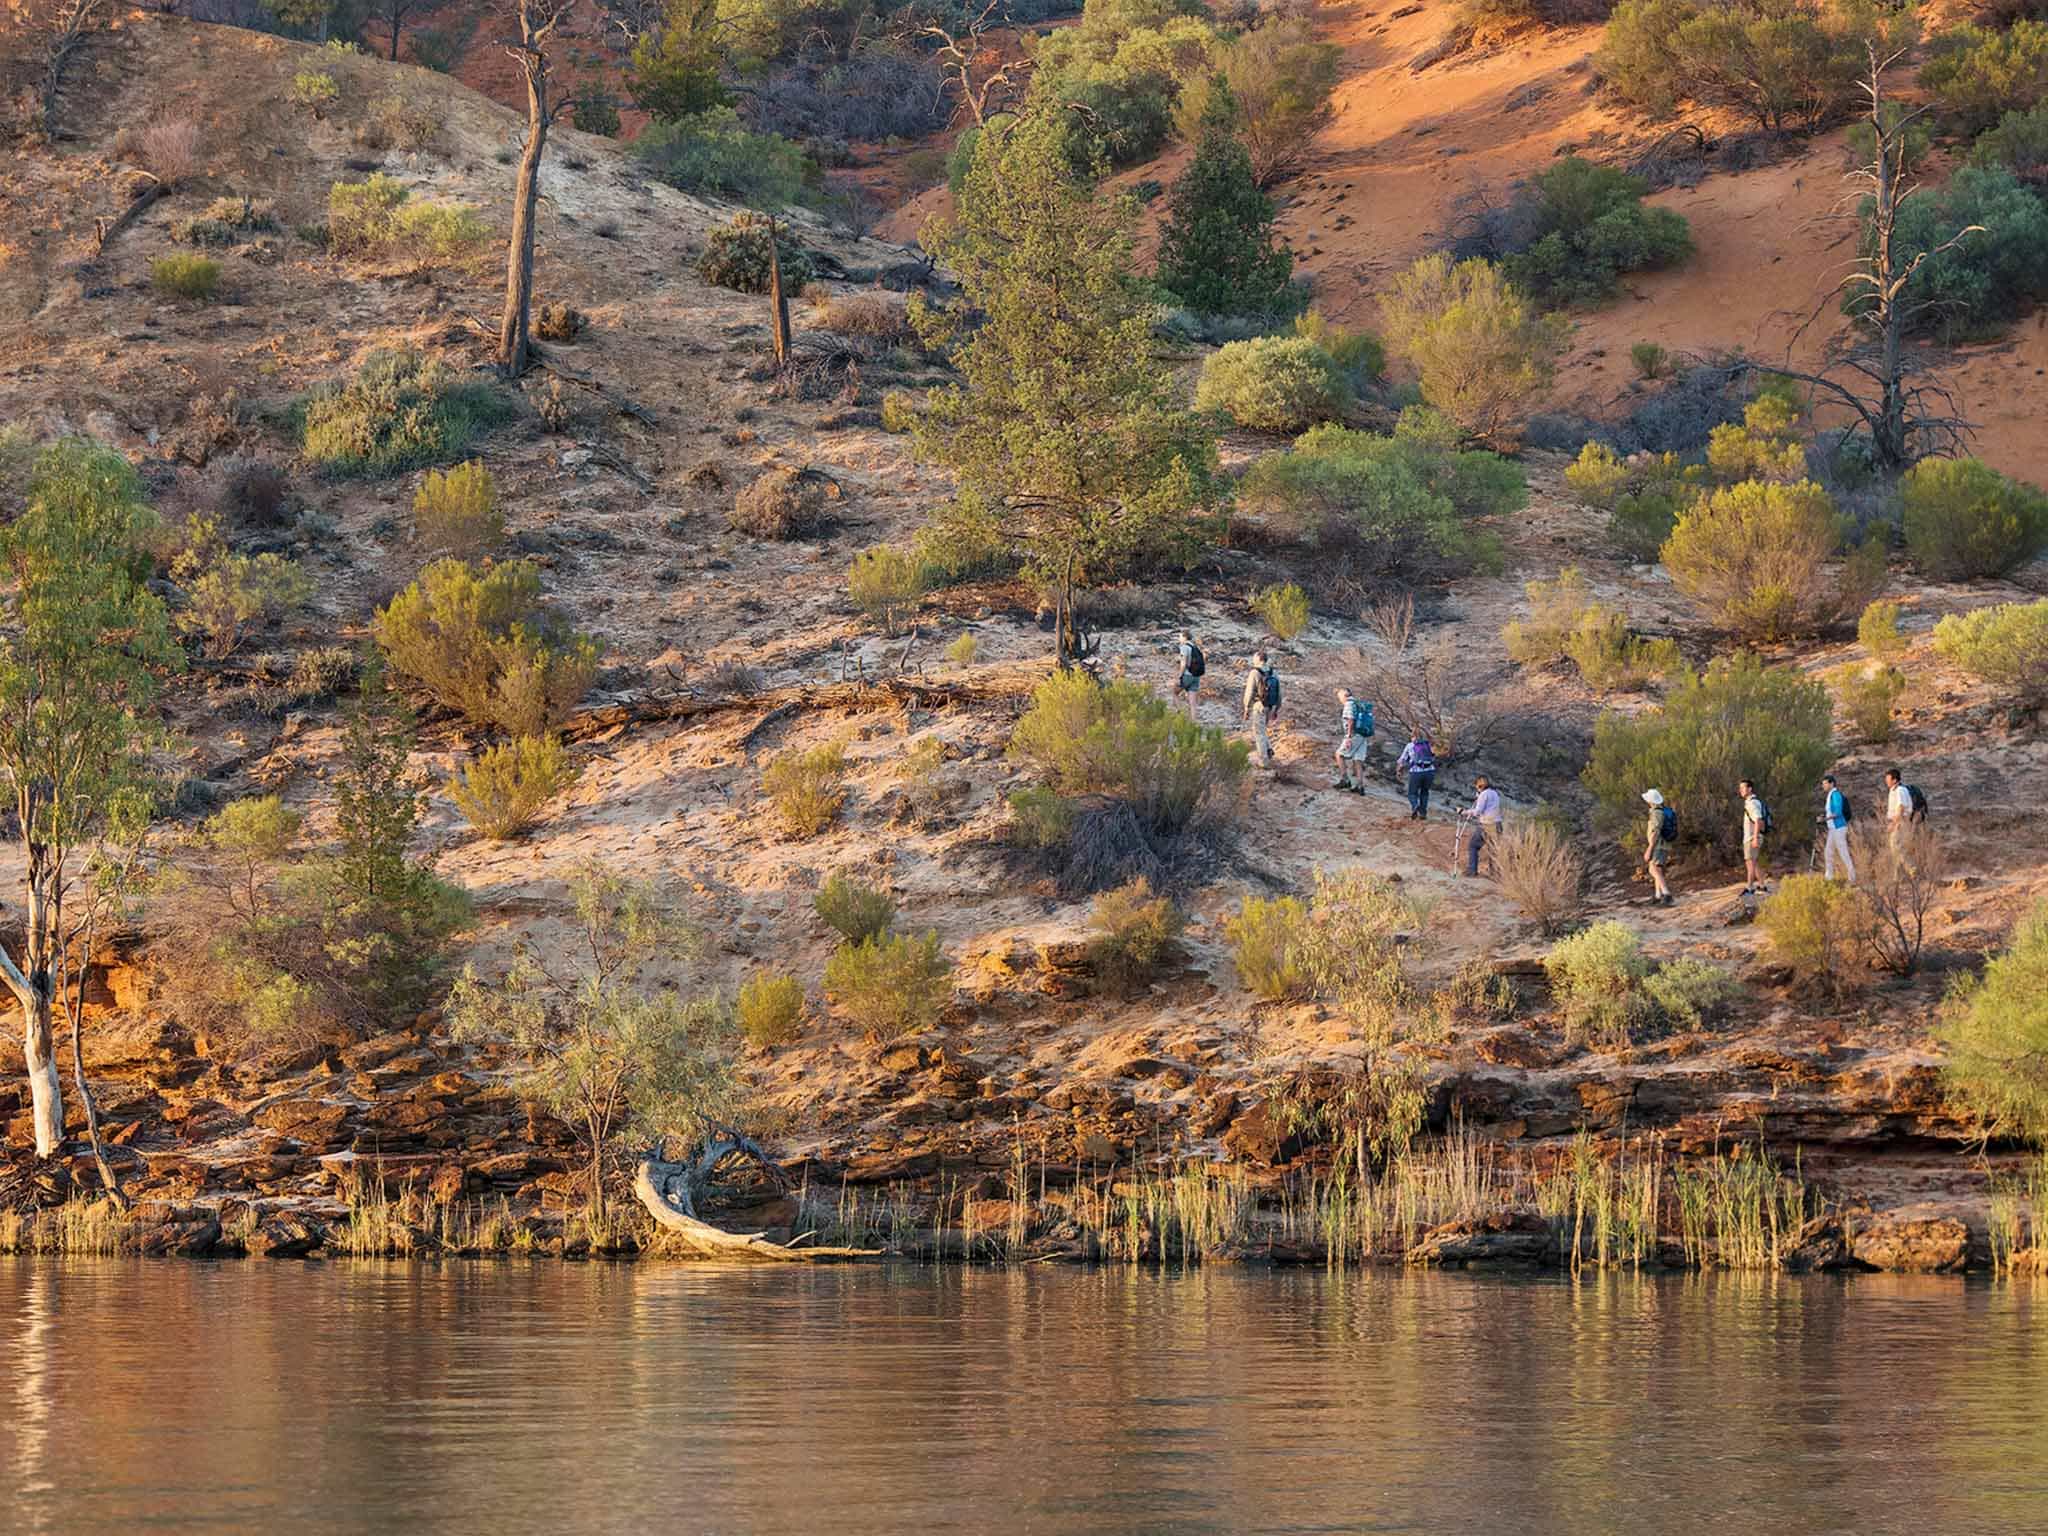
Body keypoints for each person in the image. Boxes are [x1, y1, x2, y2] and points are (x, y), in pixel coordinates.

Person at [1332, 689, 1374, 792]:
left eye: (1340, 696)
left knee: (1339, 755)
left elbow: (1351, 720)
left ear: (1345, 695)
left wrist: (1349, 737)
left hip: (1354, 735)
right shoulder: (1358, 703)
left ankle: (1345, 780)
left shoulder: (1349, 704)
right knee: (1357, 760)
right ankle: (1359, 786)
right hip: (1363, 735)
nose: (1339, 699)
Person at [1459, 776, 1502, 877]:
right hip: (1498, 823)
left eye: (1477, 787)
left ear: (1480, 786)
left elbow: (1478, 811)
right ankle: (1495, 873)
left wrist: (1463, 812)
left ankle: (1472, 870)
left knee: (1473, 846)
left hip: (1487, 824)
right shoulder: (1494, 793)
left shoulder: (1484, 794)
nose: (1477, 789)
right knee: (1493, 849)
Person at [1241, 651, 1278, 766]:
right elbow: (1279, 691)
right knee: (1262, 729)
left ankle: (1263, 761)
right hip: (1270, 705)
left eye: (1254, 658)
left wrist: (1246, 708)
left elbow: (1249, 692)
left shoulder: (1254, 672)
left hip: (1259, 705)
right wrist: (1276, 709)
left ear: (1258, 659)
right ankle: (1268, 750)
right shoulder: (1272, 671)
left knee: (1259, 732)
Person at [1819, 773, 1856, 884]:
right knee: (1828, 852)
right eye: (1823, 784)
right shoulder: (1830, 795)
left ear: (1832, 784)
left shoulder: (1836, 795)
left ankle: (1852, 877)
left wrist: (1824, 819)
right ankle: (1829, 877)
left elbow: (1838, 813)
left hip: (1839, 828)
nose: (1823, 786)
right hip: (1833, 829)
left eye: (1825, 784)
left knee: (1843, 852)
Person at [1642, 788, 1674, 906]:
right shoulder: (1660, 811)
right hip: (1661, 844)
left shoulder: (1656, 813)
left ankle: (1667, 894)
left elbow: (1655, 831)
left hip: (1658, 845)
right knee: (1657, 869)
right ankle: (1658, 895)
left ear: (1651, 800)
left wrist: (1649, 848)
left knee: (1653, 869)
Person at [1738, 778, 1770, 896]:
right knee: (1754, 863)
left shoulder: (1752, 803)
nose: (1741, 790)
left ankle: (1750, 888)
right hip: (1751, 837)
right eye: (1740, 788)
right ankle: (1762, 885)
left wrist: (1755, 838)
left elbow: (1758, 820)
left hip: (1751, 837)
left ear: (1750, 789)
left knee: (1750, 863)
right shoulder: (1751, 802)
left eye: (1743, 787)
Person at [1396, 731, 1436, 820]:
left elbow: (1402, 760)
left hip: (1416, 772)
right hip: (1430, 771)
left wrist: (1398, 771)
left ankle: (1415, 806)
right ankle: (1423, 813)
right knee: (1425, 792)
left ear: (1412, 737)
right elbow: (1434, 757)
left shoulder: (1410, 745)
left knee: (1412, 793)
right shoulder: (1428, 745)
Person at [1173, 630, 1204, 720]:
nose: (1179, 639)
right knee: (1193, 703)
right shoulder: (1195, 647)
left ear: (1184, 637)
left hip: (1187, 675)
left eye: (1180, 637)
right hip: (1196, 676)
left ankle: (1181, 713)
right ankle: (1193, 723)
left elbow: (1183, 664)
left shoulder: (1184, 647)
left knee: (1175, 693)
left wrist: (1179, 677)